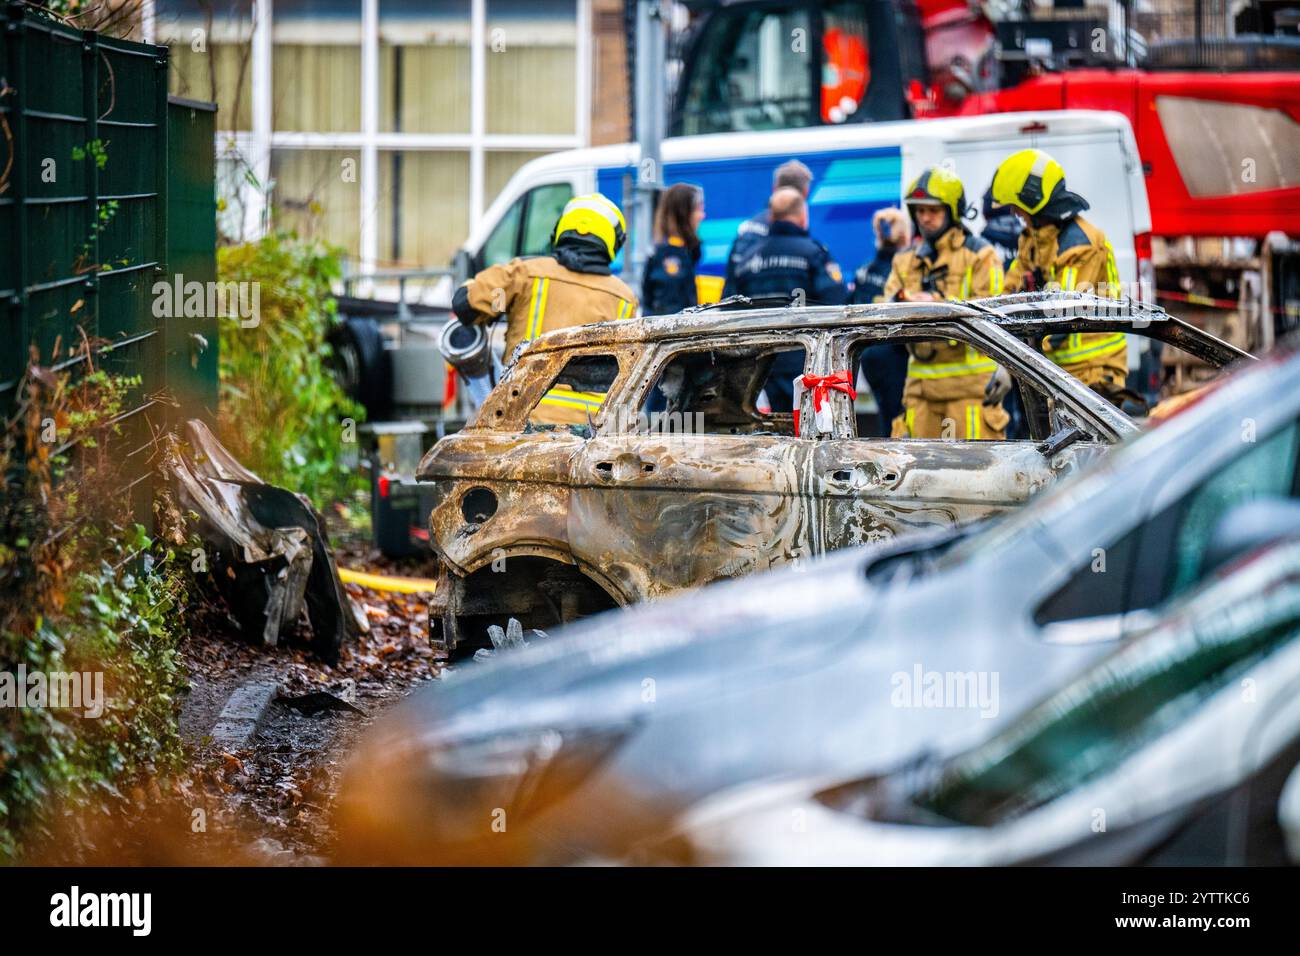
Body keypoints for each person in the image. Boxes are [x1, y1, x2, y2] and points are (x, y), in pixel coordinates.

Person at [452, 192, 638, 425]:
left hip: (520, 418)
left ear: (560, 231)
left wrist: (499, 303)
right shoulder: (624, 299)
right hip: (591, 429)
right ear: (614, 242)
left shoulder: (528, 275)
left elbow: (466, 303)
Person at [884, 165, 1011, 441]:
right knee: (920, 478)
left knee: (976, 476)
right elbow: (884, 310)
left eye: (934, 210)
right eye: (920, 211)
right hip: (920, 393)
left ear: (952, 211)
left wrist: (935, 303)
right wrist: (901, 300)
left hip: (970, 394)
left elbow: (992, 314)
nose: (925, 218)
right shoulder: (905, 259)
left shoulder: (980, 256)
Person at [991, 148, 1128, 395]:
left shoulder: (1080, 244)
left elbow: (1062, 317)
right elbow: (1007, 295)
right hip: (1058, 373)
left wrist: (1013, 365)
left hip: (1093, 374)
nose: (1014, 213)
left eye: (1015, 206)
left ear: (1032, 201)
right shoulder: (1033, 239)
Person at [730, 187, 848, 412]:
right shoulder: (813, 253)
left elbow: (730, 308)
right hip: (806, 364)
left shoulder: (746, 259)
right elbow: (836, 305)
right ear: (803, 216)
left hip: (760, 367)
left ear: (771, 217)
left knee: (772, 431)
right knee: (806, 428)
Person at [850, 207, 911, 436]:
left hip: (868, 357)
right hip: (894, 356)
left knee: (887, 417)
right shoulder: (904, 271)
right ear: (905, 237)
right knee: (899, 422)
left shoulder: (864, 269)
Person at [722, 159, 814, 298]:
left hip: (740, 308)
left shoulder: (747, 227)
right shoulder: (793, 234)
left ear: (774, 187)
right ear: (806, 193)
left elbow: (731, 281)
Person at [642, 183, 704, 316]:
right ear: (684, 214)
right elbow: (672, 315)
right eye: (698, 209)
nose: (702, 215)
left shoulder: (681, 252)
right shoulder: (671, 257)